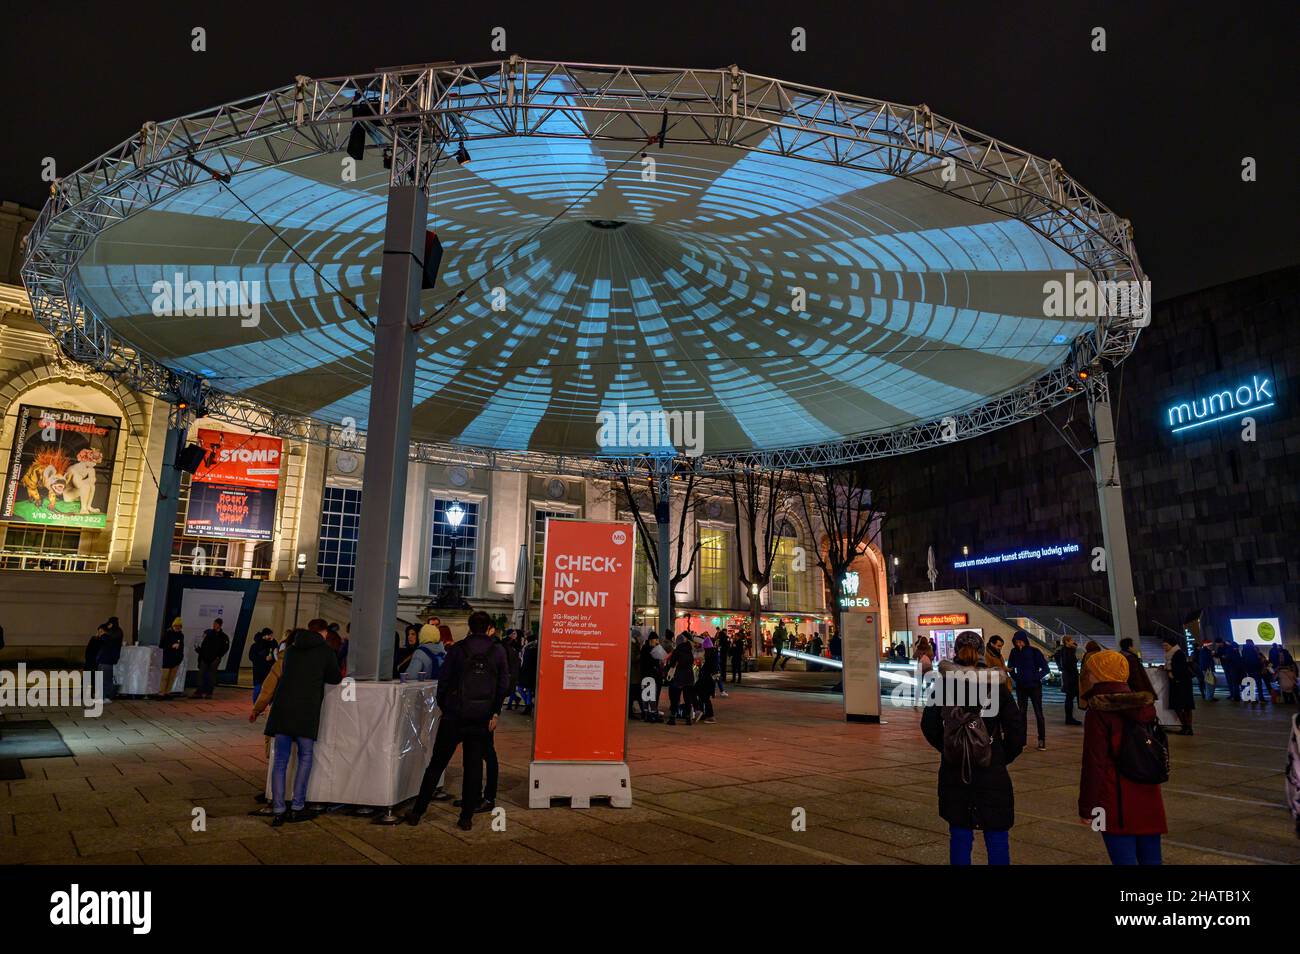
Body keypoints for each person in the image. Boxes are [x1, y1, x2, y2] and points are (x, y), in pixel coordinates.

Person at [920, 631, 1024, 865]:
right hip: (991, 766)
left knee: (960, 832)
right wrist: (999, 754)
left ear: (955, 651)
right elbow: (1016, 729)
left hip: (955, 767)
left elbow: (929, 725)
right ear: (980, 653)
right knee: (996, 833)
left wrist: (951, 747)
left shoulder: (944, 684)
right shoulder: (996, 685)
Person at [405, 611, 509, 831]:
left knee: (437, 763)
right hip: (480, 717)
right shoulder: (497, 651)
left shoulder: (458, 649)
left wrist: (446, 706)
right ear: (489, 626)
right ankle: (466, 817)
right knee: (473, 767)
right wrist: (495, 712)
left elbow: (444, 681)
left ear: (470, 627)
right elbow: (503, 684)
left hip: (454, 715)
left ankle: (418, 811)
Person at [1078, 650, 1168, 865]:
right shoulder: (1144, 706)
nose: (1088, 677)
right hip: (1148, 792)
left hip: (1114, 797)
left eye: (1090, 672)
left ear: (1100, 674)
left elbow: (1094, 762)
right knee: (1151, 857)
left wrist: (1087, 807)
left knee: (1123, 858)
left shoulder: (1098, 710)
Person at [257, 626, 342, 825]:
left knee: (280, 761)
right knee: (305, 757)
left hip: (283, 709)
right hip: (306, 710)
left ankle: (278, 809)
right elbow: (335, 677)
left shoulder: (291, 650)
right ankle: (297, 806)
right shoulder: (325, 651)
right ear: (322, 635)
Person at [1007, 631, 1049, 750]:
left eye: (1021, 642)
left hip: (1034, 686)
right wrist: (1017, 678)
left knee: (1038, 713)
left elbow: (1045, 669)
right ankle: (1022, 740)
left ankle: (1041, 740)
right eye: (1016, 642)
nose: (1019, 644)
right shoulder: (1014, 652)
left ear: (1025, 641)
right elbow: (1011, 668)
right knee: (1021, 714)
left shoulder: (1034, 652)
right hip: (1021, 687)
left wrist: (1035, 677)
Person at [1162, 635, 1196, 735]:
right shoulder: (1171, 654)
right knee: (1180, 706)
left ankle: (1187, 728)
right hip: (1178, 684)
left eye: (1166, 645)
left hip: (1181, 684)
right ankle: (1186, 727)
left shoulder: (1178, 654)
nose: (1164, 647)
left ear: (1172, 645)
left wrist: (1170, 671)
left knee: (1183, 706)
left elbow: (1180, 668)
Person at [192, 618, 229, 699]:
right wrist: (199, 651)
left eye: (216, 624)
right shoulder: (209, 634)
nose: (214, 625)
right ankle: (199, 691)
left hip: (214, 659)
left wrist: (218, 657)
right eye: (214, 624)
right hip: (205, 658)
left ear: (220, 625)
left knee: (212, 675)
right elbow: (204, 646)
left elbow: (225, 648)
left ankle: (209, 692)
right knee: (201, 673)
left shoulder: (223, 637)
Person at [666, 633, 695, 725]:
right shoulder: (691, 650)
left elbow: (672, 664)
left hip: (678, 677)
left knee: (675, 698)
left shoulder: (677, 651)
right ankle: (688, 718)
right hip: (689, 677)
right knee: (687, 699)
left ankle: (673, 717)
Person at [1054, 636, 1082, 725]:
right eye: (1071, 640)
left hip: (1068, 676)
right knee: (1070, 697)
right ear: (1067, 641)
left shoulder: (1063, 650)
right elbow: (1068, 663)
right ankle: (1069, 718)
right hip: (1071, 677)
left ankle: (1069, 718)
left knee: (1069, 697)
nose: (1073, 642)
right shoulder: (1067, 651)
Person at [639, 632, 665, 721]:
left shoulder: (648, 648)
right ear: (651, 640)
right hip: (649, 675)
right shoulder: (647, 649)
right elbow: (647, 663)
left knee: (649, 696)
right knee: (650, 695)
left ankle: (649, 713)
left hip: (650, 675)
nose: (657, 642)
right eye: (656, 640)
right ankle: (650, 714)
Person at [157, 618, 186, 699]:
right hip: (167, 658)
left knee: (172, 677)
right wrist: (171, 646)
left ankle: (167, 692)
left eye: (179, 626)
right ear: (173, 626)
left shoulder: (181, 635)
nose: (178, 628)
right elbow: (161, 645)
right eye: (176, 626)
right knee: (165, 677)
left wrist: (181, 657)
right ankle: (161, 692)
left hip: (176, 659)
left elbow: (181, 647)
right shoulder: (168, 634)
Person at [249, 628, 278, 703]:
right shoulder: (256, 645)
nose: (271, 637)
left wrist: (273, 642)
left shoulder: (272, 644)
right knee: (258, 687)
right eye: (270, 635)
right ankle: (256, 703)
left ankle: (267, 703)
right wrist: (264, 658)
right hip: (259, 670)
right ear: (265, 635)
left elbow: (276, 653)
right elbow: (252, 657)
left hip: (269, 670)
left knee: (269, 688)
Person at [98, 617, 124, 701]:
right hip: (105, 659)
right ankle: (103, 696)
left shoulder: (116, 632)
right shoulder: (115, 632)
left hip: (108, 659)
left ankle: (107, 697)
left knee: (106, 680)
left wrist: (103, 634)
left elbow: (109, 641)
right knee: (103, 679)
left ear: (111, 624)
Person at [695, 635, 718, 724]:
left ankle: (710, 716)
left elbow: (710, 669)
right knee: (702, 697)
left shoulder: (709, 657)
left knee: (704, 697)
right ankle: (703, 713)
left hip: (706, 680)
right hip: (707, 680)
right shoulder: (712, 655)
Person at [1078, 640, 1105, 708]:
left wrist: (1081, 677)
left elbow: (1085, 668)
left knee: (1089, 699)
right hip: (1100, 679)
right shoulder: (1101, 654)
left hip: (1090, 680)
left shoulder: (1088, 655)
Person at [1240, 639, 1266, 706]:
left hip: (1248, 670)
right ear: (1251, 642)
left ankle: (1253, 699)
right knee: (1259, 685)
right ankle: (1261, 699)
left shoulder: (1244, 650)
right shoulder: (1254, 649)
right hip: (1256, 669)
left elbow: (1243, 660)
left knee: (1251, 685)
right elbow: (1258, 658)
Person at [519, 632, 538, 714]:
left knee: (520, 688)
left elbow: (525, 662)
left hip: (526, 673)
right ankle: (529, 705)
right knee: (528, 690)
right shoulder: (534, 648)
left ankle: (528, 705)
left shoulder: (528, 649)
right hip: (532, 673)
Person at [716, 629, 730, 694]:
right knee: (723, 666)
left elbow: (718, 646)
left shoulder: (720, 639)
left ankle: (722, 677)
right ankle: (723, 677)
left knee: (721, 667)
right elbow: (728, 645)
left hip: (720, 654)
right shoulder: (725, 638)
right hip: (724, 654)